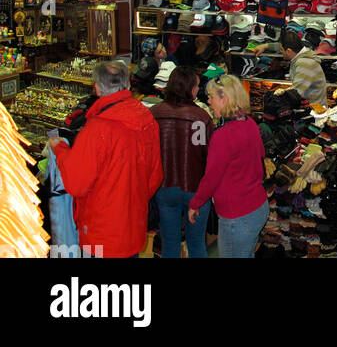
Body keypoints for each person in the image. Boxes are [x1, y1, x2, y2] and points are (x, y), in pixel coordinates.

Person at [50, 61, 162, 258]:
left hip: (100, 233)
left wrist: (60, 149)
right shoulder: (146, 119)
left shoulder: (96, 130)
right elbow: (154, 177)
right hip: (133, 226)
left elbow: (76, 184)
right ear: (127, 85)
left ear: (97, 88)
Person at [188, 75, 269, 258]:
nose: (208, 101)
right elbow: (260, 159)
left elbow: (211, 178)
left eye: (211, 97)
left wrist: (196, 203)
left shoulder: (223, 135)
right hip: (256, 207)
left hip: (237, 215)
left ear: (224, 99)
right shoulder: (249, 123)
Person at [151, 68, 213, 258]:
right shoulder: (201, 117)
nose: (197, 90)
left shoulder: (154, 113)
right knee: (196, 244)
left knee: (169, 245)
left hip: (163, 187)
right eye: (196, 86)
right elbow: (208, 155)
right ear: (189, 89)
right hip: (195, 189)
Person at [253, 29, 327, 104]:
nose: (281, 52)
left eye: (282, 50)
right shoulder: (303, 52)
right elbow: (283, 46)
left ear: (288, 51)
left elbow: (298, 92)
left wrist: (281, 92)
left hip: (314, 111)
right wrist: (266, 46)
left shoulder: (304, 64)